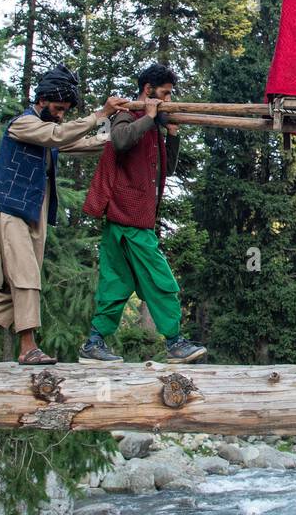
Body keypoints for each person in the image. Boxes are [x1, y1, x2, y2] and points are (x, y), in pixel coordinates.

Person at [0, 66, 123, 365]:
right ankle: (28, 347)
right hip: (8, 208)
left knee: (16, 285)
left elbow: (84, 142)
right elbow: (58, 135)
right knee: (26, 277)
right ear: (42, 100)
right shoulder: (23, 124)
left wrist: (121, 128)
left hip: (33, 211)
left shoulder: (48, 131)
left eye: (65, 110)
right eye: (58, 108)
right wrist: (99, 114)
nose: (60, 115)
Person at [78, 63, 205, 364]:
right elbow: (120, 141)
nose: (169, 101)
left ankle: (94, 342)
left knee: (116, 282)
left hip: (129, 220)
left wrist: (172, 134)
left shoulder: (152, 127)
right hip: (130, 219)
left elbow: (167, 169)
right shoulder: (127, 114)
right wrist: (148, 116)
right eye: (165, 94)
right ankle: (174, 342)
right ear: (148, 90)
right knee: (161, 280)